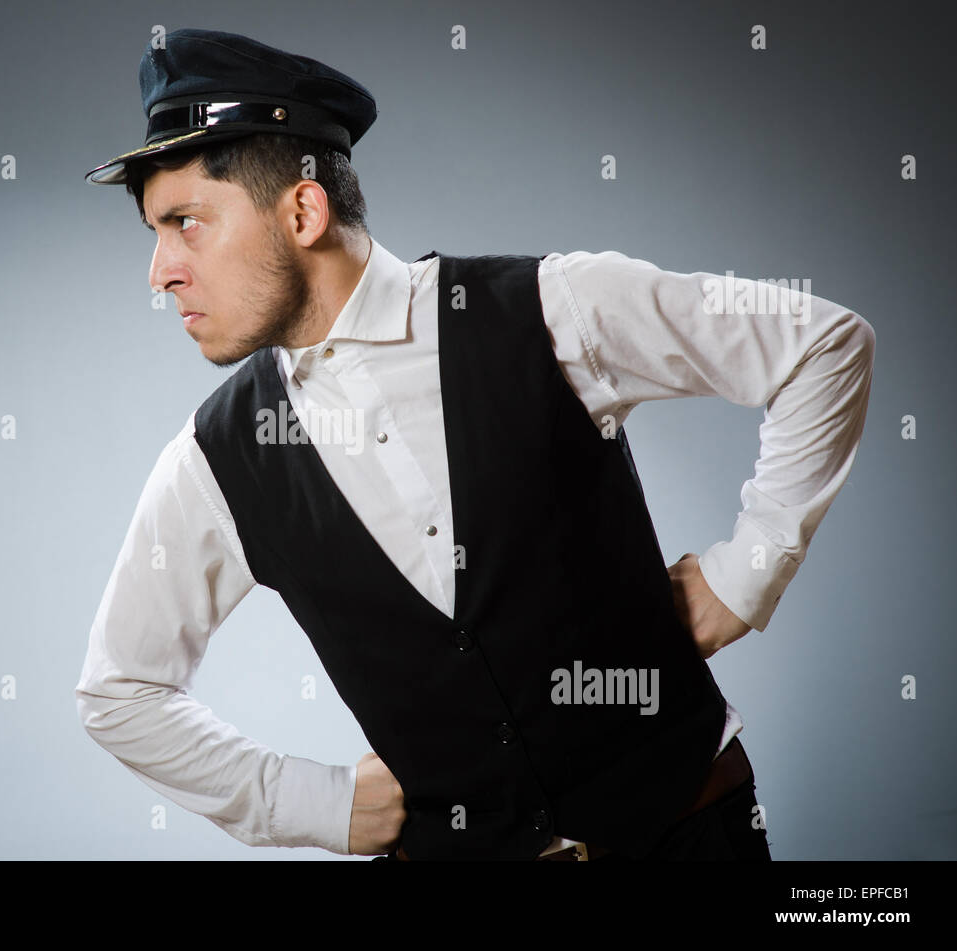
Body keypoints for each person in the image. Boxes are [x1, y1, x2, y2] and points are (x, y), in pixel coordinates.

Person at [74, 28, 875, 860]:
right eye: (155, 233)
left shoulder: (549, 308)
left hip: (691, 830)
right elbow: (119, 691)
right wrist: (317, 804)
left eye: (186, 223)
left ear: (303, 210)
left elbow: (822, 342)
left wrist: (750, 573)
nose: (160, 270)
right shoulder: (215, 460)